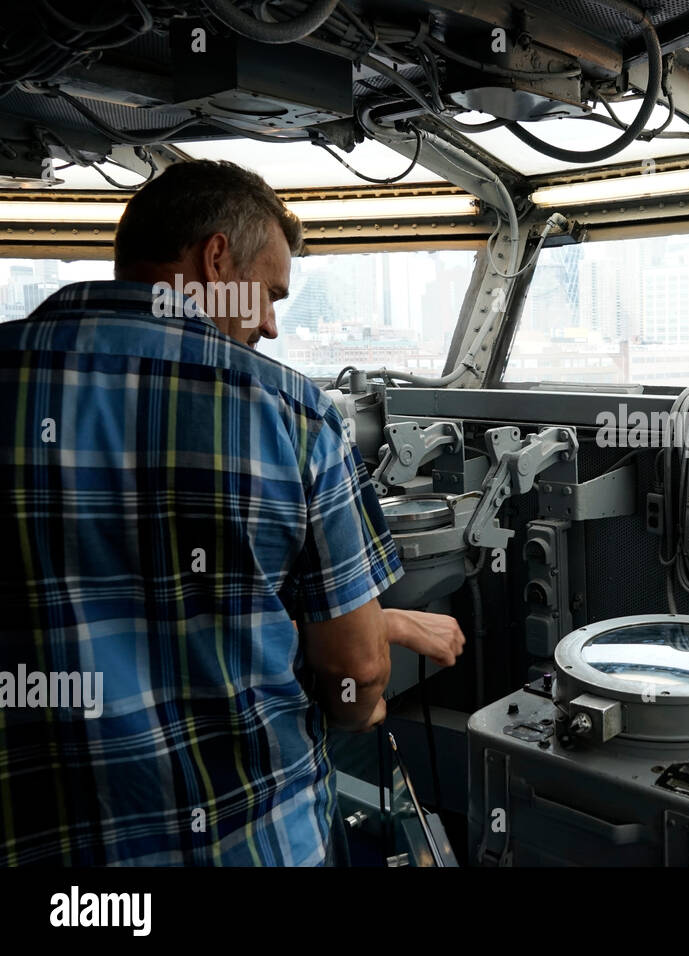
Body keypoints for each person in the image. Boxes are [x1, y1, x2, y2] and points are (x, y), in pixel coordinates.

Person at [0, 159, 464, 865]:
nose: (272, 326)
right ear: (216, 260)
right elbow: (358, 670)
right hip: (250, 841)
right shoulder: (292, 410)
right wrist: (362, 704)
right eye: (270, 294)